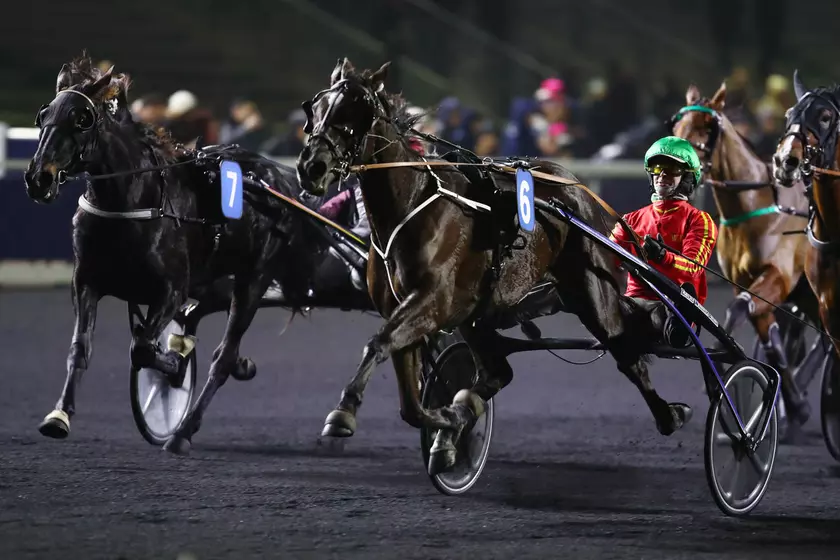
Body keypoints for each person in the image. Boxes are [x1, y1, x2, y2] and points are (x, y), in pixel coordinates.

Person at [609, 135, 718, 347]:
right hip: (635, 300)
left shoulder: (699, 220)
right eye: (658, 168)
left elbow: (693, 269)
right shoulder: (631, 220)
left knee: (661, 313)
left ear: (687, 178)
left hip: (671, 302)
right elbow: (605, 257)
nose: (662, 175)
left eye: (672, 170)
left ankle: (680, 323)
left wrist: (662, 256)